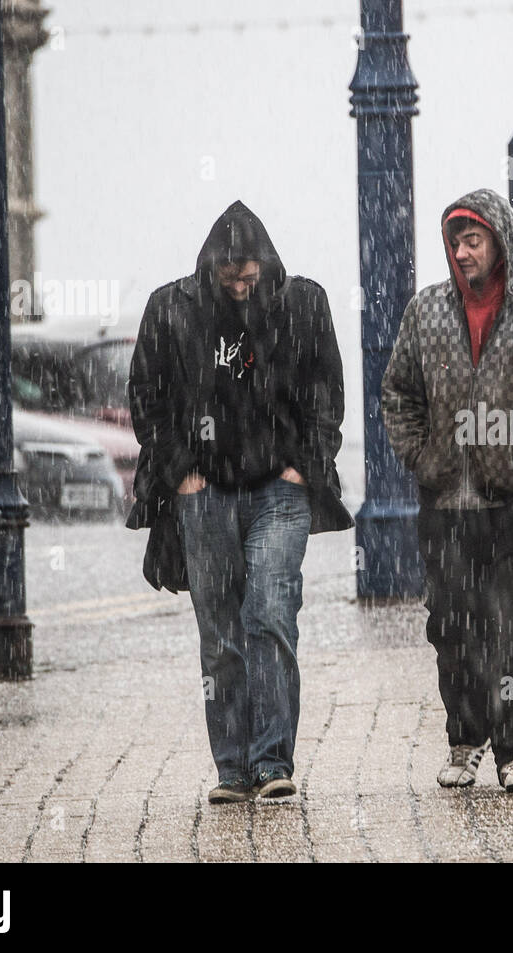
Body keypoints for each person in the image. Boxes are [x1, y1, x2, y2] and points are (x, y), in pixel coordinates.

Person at [125, 200, 353, 804]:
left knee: (270, 616)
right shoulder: (170, 308)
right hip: (203, 496)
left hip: (280, 492)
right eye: (229, 273)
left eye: (248, 271)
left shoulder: (303, 303)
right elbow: (146, 399)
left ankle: (272, 761)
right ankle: (231, 769)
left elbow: (327, 392)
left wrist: (304, 466)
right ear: (211, 267)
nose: (240, 282)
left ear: (266, 260)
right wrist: (179, 473)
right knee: (220, 634)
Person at [381, 188, 513, 793]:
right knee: (453, 627)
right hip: (445, 503)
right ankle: (465, 740)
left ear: (500, 241)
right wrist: (424, 457)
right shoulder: (426, 312)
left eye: (473, 240)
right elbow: (398, 394)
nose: (463, 252)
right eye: (454, 242)